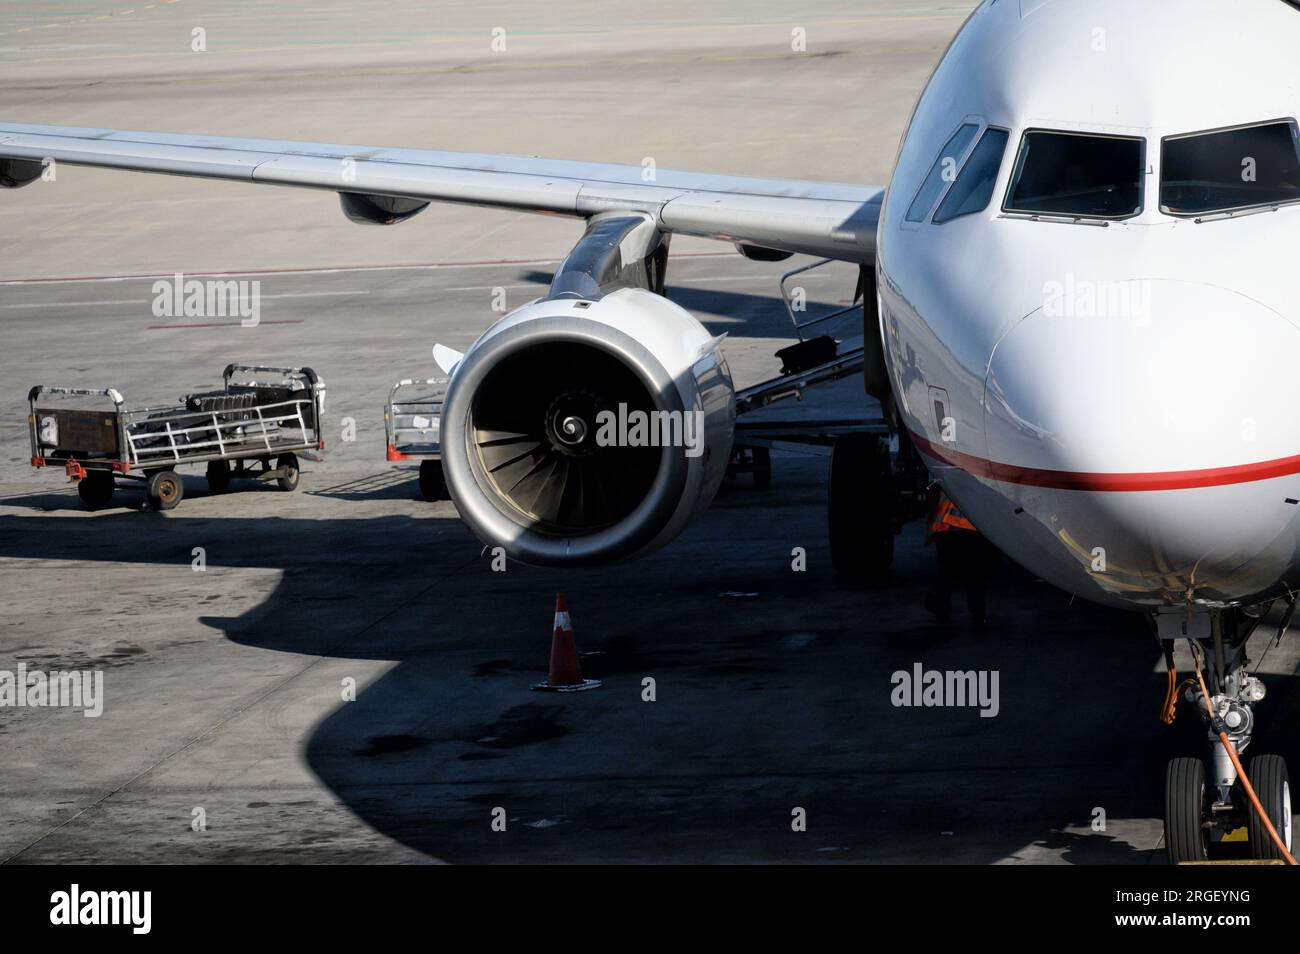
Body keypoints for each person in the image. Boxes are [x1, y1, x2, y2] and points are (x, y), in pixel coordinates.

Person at [923, 482, 994, 627]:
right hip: (974, 528)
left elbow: (934, 492)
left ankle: (942, 610)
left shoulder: (945, 467)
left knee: (946, 573)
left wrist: (930, 527)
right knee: (975, 575)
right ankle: (978, 614)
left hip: (948, 528)